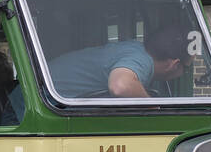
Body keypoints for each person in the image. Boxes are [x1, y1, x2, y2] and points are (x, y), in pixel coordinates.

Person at [47, 24, 189, 99]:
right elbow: (120, 86)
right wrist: (152, 108)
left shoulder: (136, 49)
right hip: (40, 96)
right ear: (174, 64)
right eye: (186, 68)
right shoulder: (141, 60)